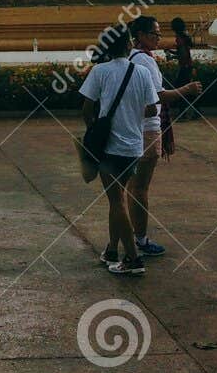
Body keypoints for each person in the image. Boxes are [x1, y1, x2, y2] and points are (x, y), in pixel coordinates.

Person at [80, 24, 160, 276]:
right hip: (133, 145)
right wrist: (132, 112)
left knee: (117, 201)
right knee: (118, 199)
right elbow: (152, 109)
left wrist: (95, 128)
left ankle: (133, 259)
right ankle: (112, 249)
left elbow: (86, 107)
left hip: (110, 147)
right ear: (128, 45)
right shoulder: (142, 72)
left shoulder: (99, 71)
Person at [127, 15, 203, 256]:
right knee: (140, 189)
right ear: (140, 35)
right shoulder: (145, 62)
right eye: (153, 33)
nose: (158, 37)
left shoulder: (131, 57)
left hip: (131, 126)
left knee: (131, 187)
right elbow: (158, 96)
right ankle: (140, 238)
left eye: (159, 33)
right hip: (147, 127)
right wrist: (186, 90)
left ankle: (130, 236)